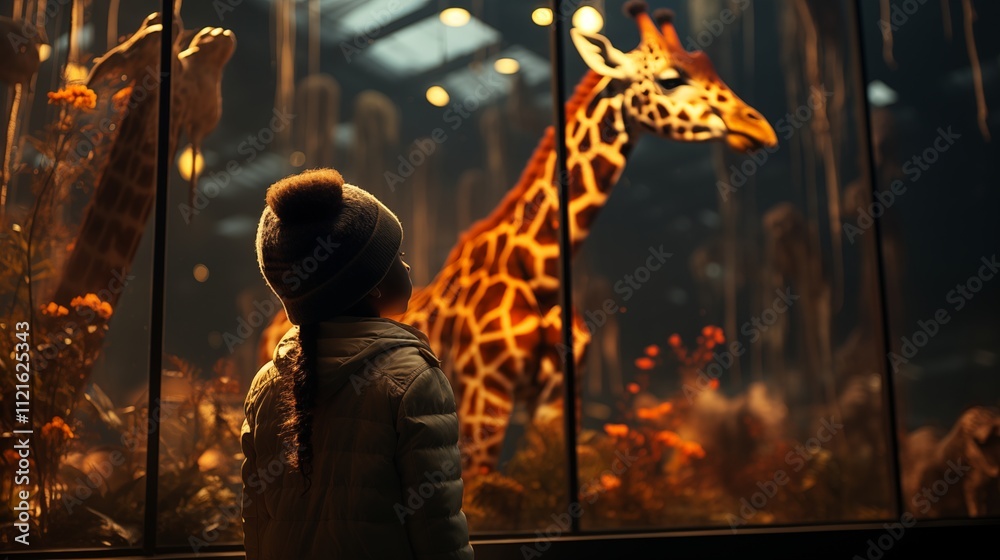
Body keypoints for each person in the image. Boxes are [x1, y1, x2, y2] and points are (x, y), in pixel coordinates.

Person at [241, 168, 474, 559]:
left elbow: (256, 525)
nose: (408, 265)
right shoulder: (413, 381)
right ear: (372, 284)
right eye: (396, 256)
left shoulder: (265, 384)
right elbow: (440, 528)